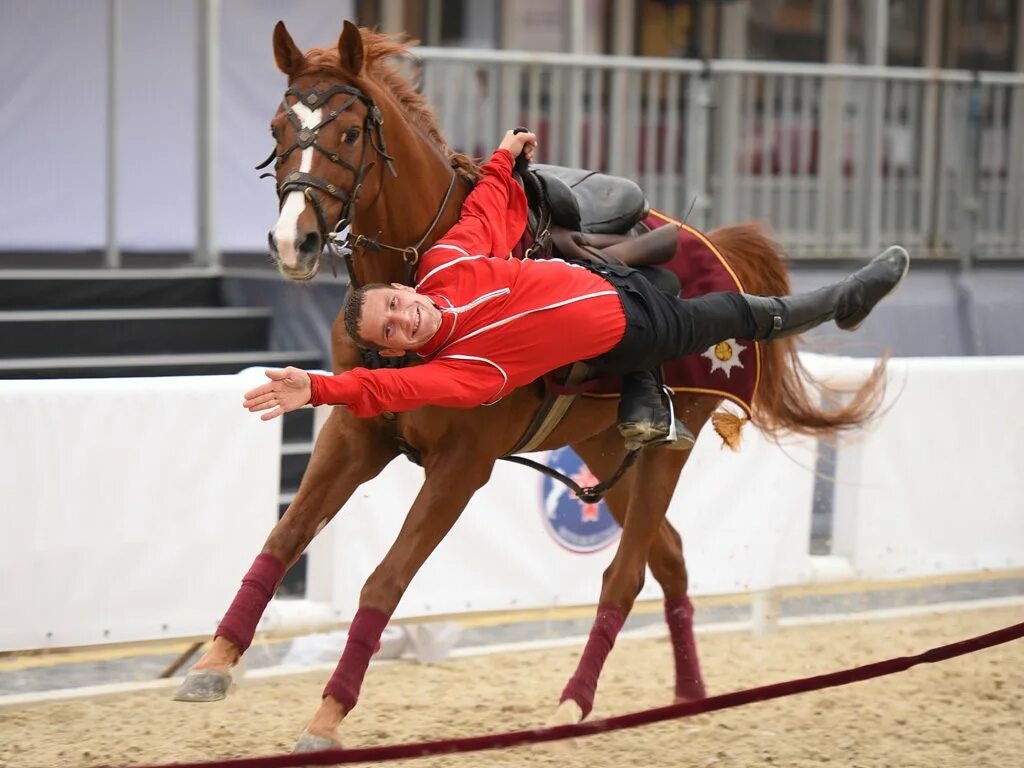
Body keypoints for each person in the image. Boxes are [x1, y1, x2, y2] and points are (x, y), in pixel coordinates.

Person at [243, 130, 909, 452]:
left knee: (669, 251)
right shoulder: (465, 373)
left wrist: (505, 157)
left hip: (613, 276)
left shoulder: (445, 266)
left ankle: (654, 384)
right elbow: (386, 390)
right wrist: (319, 387)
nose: (403, 317)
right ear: (397, 345)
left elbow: (483, 212)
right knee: (744, 313)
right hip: (636, 329)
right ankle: (845, 302)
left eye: (393, 303)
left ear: (398, 288)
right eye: (392, 330)